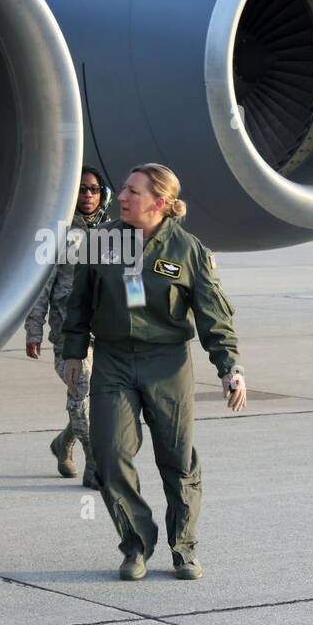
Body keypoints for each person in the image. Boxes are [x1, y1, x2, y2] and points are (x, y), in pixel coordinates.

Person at [61, 163, 246, 581]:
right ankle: (136, 545)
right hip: (113, 361)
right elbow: (79, 302)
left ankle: (184, 547)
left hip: (168, 364)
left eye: (133, 191)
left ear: (159, 202)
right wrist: (73, 350)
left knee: (177, 460)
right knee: (111, 456)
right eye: (123, 189)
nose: (122, 197)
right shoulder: (102, 240)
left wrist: (229, 367)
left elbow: (214, 316)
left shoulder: (188, 250)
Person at [26, 166, 112, 488]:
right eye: (81, 189)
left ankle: (64, 442)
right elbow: (40, 286)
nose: (88, 195)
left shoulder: (114, 233)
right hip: (67, 335)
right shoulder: (56, 234)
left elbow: (129, 283)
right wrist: (34, 330)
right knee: (81, 392)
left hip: (103, 334)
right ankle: (94, 462)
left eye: (94, 189)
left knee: (89, 398)